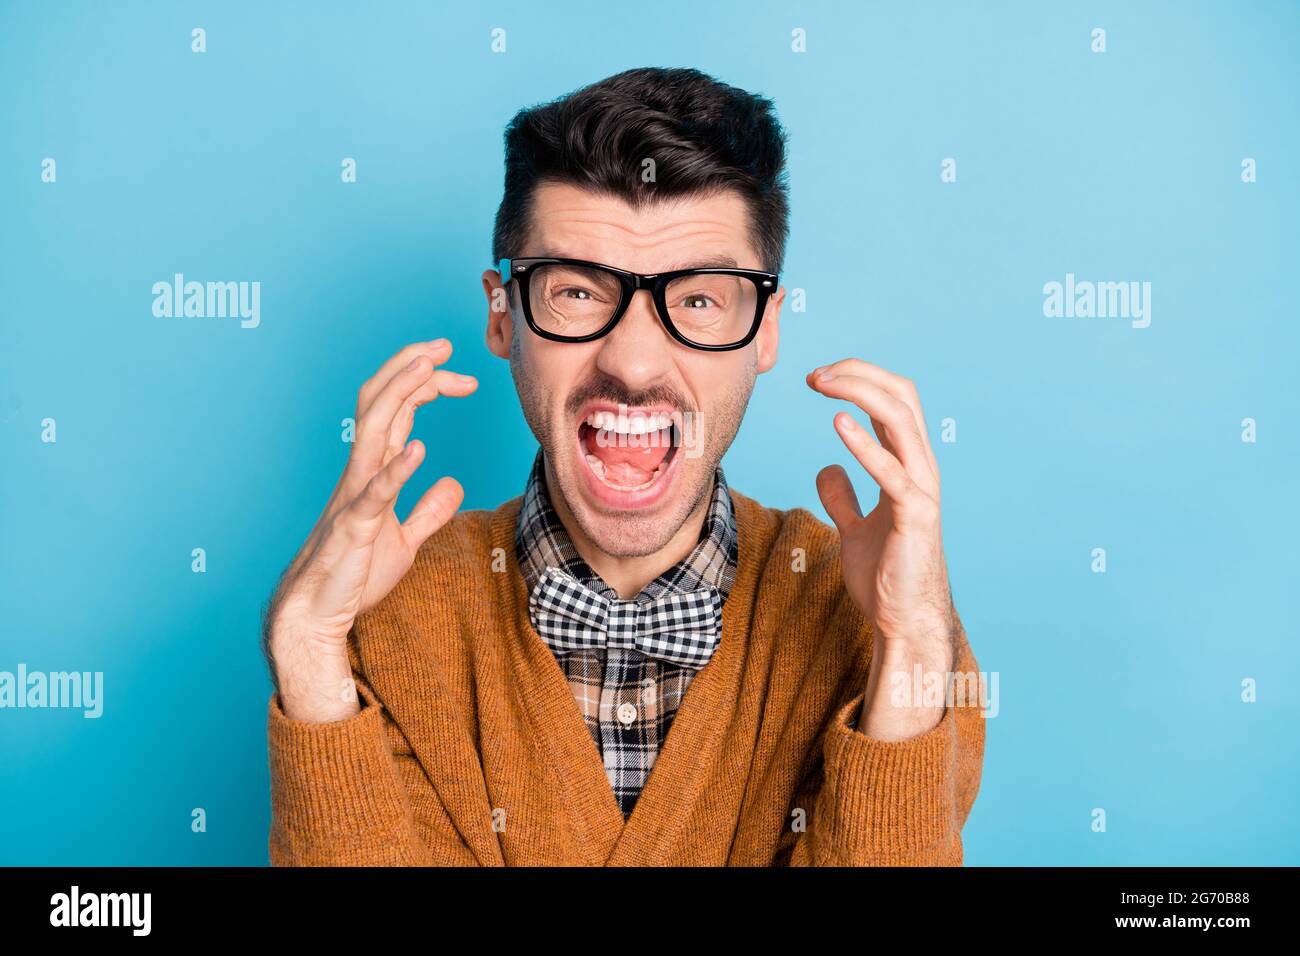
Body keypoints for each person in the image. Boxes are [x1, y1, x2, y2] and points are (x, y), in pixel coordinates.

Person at [262, 66, 985, 866]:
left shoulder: (882, 630)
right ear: (502, 316)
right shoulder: (382, 614)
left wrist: (913, 643)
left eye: (702, 299)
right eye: (576, 292)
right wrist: (307, 648)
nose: (636, 362)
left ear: (766, 331)